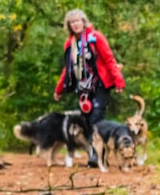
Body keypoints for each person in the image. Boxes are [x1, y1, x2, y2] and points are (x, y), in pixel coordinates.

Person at [52, 9, 125, 167]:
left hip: (100, 84)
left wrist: (118, 81)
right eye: (72, 22)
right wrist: (59, 89)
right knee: (87, 122)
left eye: (78, 21)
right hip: (83, 87)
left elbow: (109, 59)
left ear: (83, 22)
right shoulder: (70, 44)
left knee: (96, 119)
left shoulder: (95, 38)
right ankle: (97, 152)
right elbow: (68, 69)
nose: (76, 24)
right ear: (69, 25)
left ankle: (96, 156)